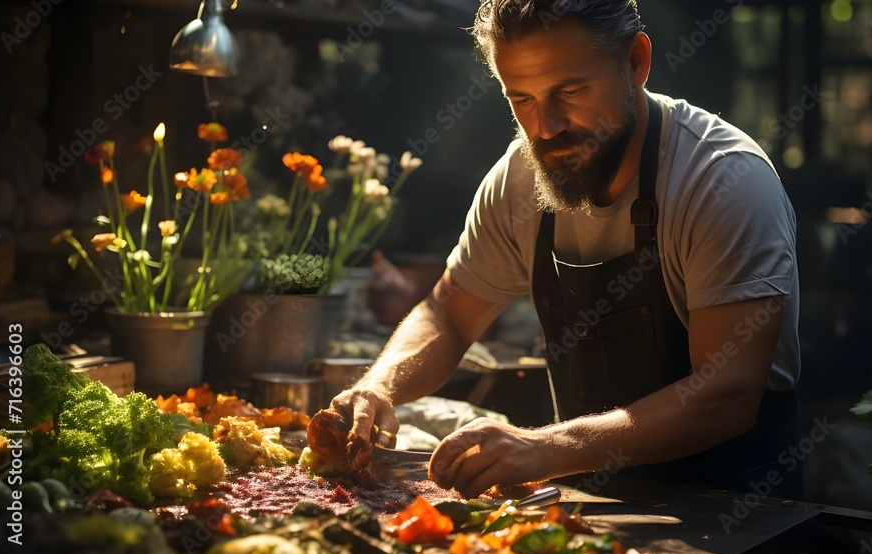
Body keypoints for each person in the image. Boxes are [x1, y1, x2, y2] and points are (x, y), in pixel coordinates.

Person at [331, 0, 801, 498]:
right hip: (588, 505)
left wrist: (543, 450)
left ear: (636, 62)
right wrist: (379, 386)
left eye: (571, 91)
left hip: (734, 512)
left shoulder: (723, 181)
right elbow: (449, 315)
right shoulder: (520, 179)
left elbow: (726, 394)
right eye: (523, 99)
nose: (547, 126)